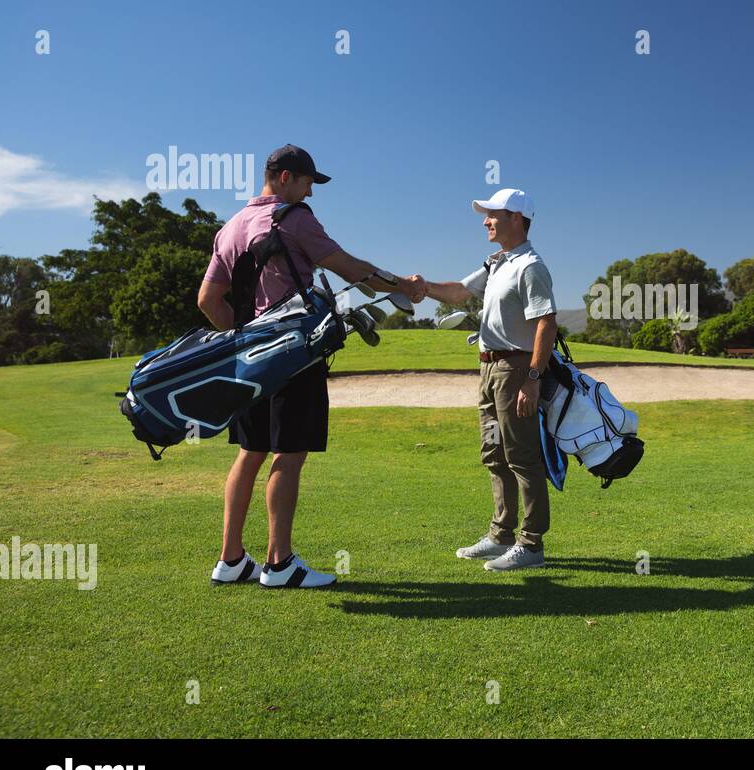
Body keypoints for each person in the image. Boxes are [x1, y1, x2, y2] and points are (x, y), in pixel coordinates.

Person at [197, 144, 425, 589]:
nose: (310, 194)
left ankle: (230, 560)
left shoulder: (230, 229)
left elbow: (208, 300)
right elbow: (350, 268)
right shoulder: (294, 219)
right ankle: (279, 564)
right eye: (306, 183)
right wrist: (403, 285)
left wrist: (244, 341)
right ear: (284, 177)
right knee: (289, 453)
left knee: (250, 453)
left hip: (248, 363)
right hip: (293, 358)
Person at [415, 188, 557, 571]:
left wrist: (532, 378)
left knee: (522, 456)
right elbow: (460, 292)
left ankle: (531, 544)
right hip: (488, 369)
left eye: (493, 214)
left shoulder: (530, 265)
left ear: (516, 218)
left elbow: (546, 321)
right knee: (494, 453)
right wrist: (423, 287)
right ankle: (500, 535)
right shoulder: (497, 262)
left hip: (515, 369)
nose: (485, 220)